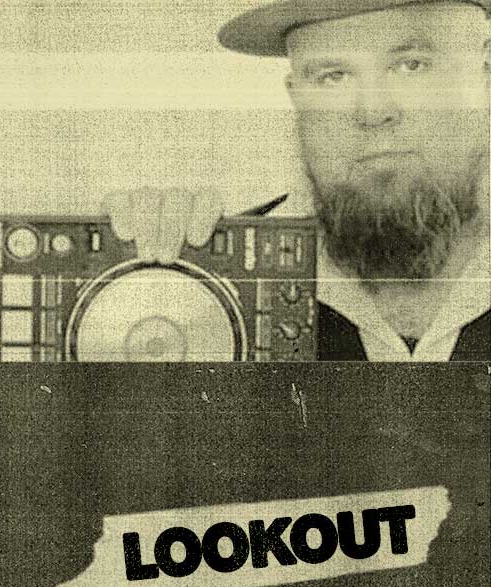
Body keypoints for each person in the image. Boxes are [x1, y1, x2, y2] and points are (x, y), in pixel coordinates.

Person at [104, 0, 491, 361]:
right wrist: (133, 287)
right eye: (333, 77)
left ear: (486, 73)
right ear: (298, 97)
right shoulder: (211, 284)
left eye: (411, 66)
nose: (373, 111)